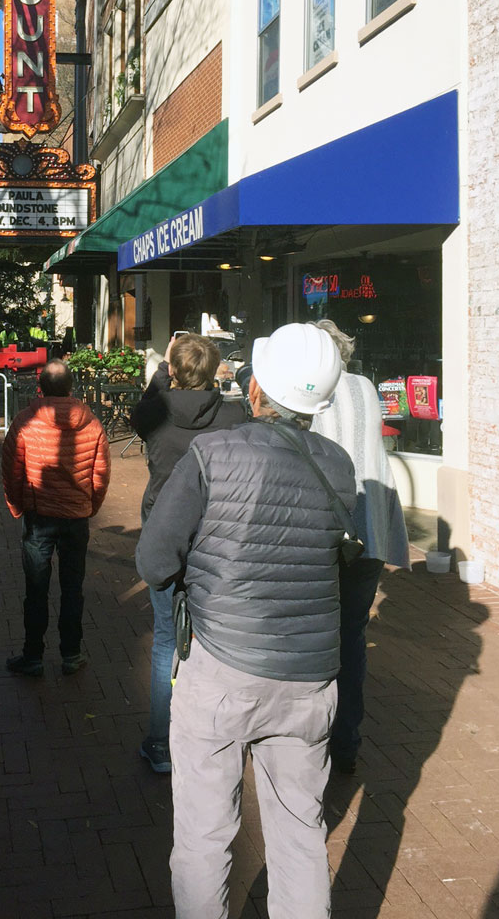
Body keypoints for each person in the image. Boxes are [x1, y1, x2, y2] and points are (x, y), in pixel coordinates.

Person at [136, 323, 356, 919]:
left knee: (205, 836)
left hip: (221, 667)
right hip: (310, 676)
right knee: (301, 835)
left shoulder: (212, 454)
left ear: (256, 388)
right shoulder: (339, 465)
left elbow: (154, 560)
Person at [129, 334, 243, 774]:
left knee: (164, 640)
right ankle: (215, 736)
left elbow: (149, 401)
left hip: (163, 530)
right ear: (215, 371)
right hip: (216, 533)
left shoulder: (154, 413)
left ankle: (161, 743)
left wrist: (163, 368)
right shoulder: (233, 416)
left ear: (174, 370)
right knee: (217, 640)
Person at [311, 318, 410, 774]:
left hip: (327, 534)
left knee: (316, 636)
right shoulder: (366, 386)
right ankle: (346, 741)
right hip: (370, 528)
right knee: (351, 635)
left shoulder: (315, 394)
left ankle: (313, 740)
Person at [2, 359, 111, 677]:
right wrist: (90, 506)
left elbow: (12, 469)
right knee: (72, 587)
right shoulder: (91, 423)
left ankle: (33, 656)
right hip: (76, 516)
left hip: (40, 517)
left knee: (36, 588)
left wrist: (16, 506)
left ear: (41, 387)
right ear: (71, 387)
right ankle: (71, 654)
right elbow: (100, 473)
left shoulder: (25, 421)